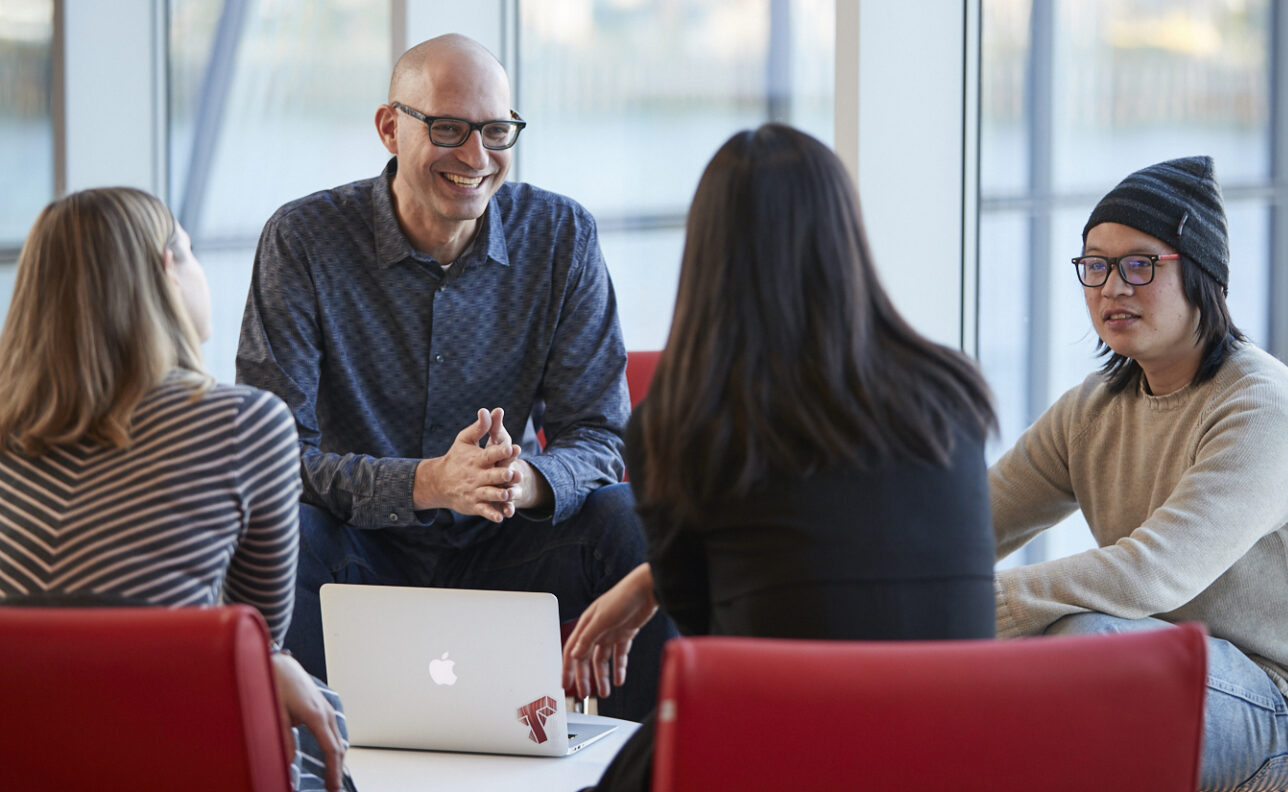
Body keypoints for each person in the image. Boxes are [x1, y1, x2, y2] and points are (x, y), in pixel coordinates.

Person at [235, 33, 669, 719]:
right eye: (447, 129)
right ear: (390, 127)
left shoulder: (561, 237)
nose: (476, 157)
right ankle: (312, 757)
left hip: (506, 544)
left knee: (634, 522)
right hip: (358, 550)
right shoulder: (304, 240)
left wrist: (524, 482)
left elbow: (600, 434)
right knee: (275, 528)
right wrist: (428, 483)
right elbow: (274, 457)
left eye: (497, 131)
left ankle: (642, 762)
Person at [560, 123, 999, 791]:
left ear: (707, 255)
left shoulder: (685, 425)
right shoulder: (951, 393)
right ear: (846, 236)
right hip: (952, 757)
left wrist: (652, 579)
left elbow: (712, 645)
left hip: (784, 755)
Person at [988, 156, 1288, 790]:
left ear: (1203, 274)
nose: (1111, 288)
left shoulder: (1263, 407)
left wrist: (992, 604)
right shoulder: (1094, 407)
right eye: (1095, 265)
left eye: (1140, 264)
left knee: (1073, 639)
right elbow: (973, 521)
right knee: (1037, 646)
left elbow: (1152, 572)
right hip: (1158, 662)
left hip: (1280, 701)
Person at [0, 187, 351, 792]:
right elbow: (253, 640)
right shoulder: (243, 423)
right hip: (172, 752)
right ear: (166, 270)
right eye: (189, 252)